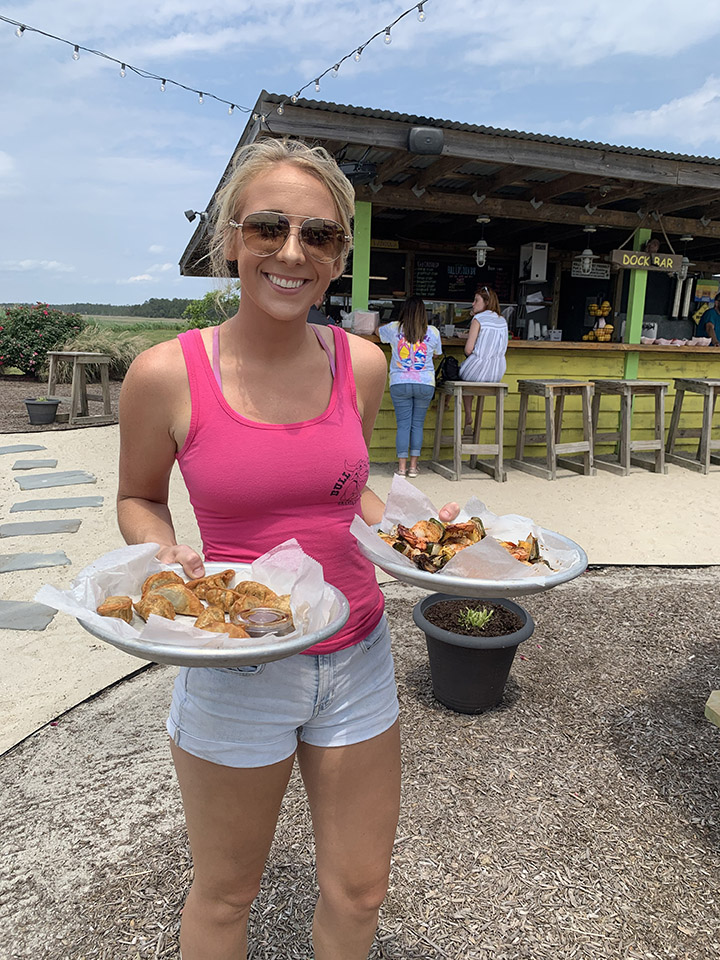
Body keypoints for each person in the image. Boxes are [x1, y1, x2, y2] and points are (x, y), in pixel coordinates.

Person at [116, 138, 458, 960]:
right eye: (268, 227)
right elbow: (138, 498)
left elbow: (348, 490)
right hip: (239, 665)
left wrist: (412, 528)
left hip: (358, 656)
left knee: (360, 888)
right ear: (230, 239)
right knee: (229, 893)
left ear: (341, 255)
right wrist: (162, 557)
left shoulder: (362, 364)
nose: (292, 252)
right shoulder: (166, 373)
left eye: (320, 235)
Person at [378, 296, 442, 478]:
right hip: (425, 383)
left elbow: (377, 331)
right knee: (417, 425)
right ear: (424, 313)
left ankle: (401, 468)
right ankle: (413, 468)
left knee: (403, 426)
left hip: (400, 383)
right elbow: (437, 354)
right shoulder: (433, 332)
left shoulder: (393, 328)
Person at [458, 285, 508, 435]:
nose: (473, 304)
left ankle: (468, 415)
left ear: (486, 302)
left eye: (476, 300)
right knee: (466, 376)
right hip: (497, 373)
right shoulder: (502, 320)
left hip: (476, 371)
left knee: (460, 376)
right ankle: (451, 403)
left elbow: (468, 350)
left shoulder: (478, 319)